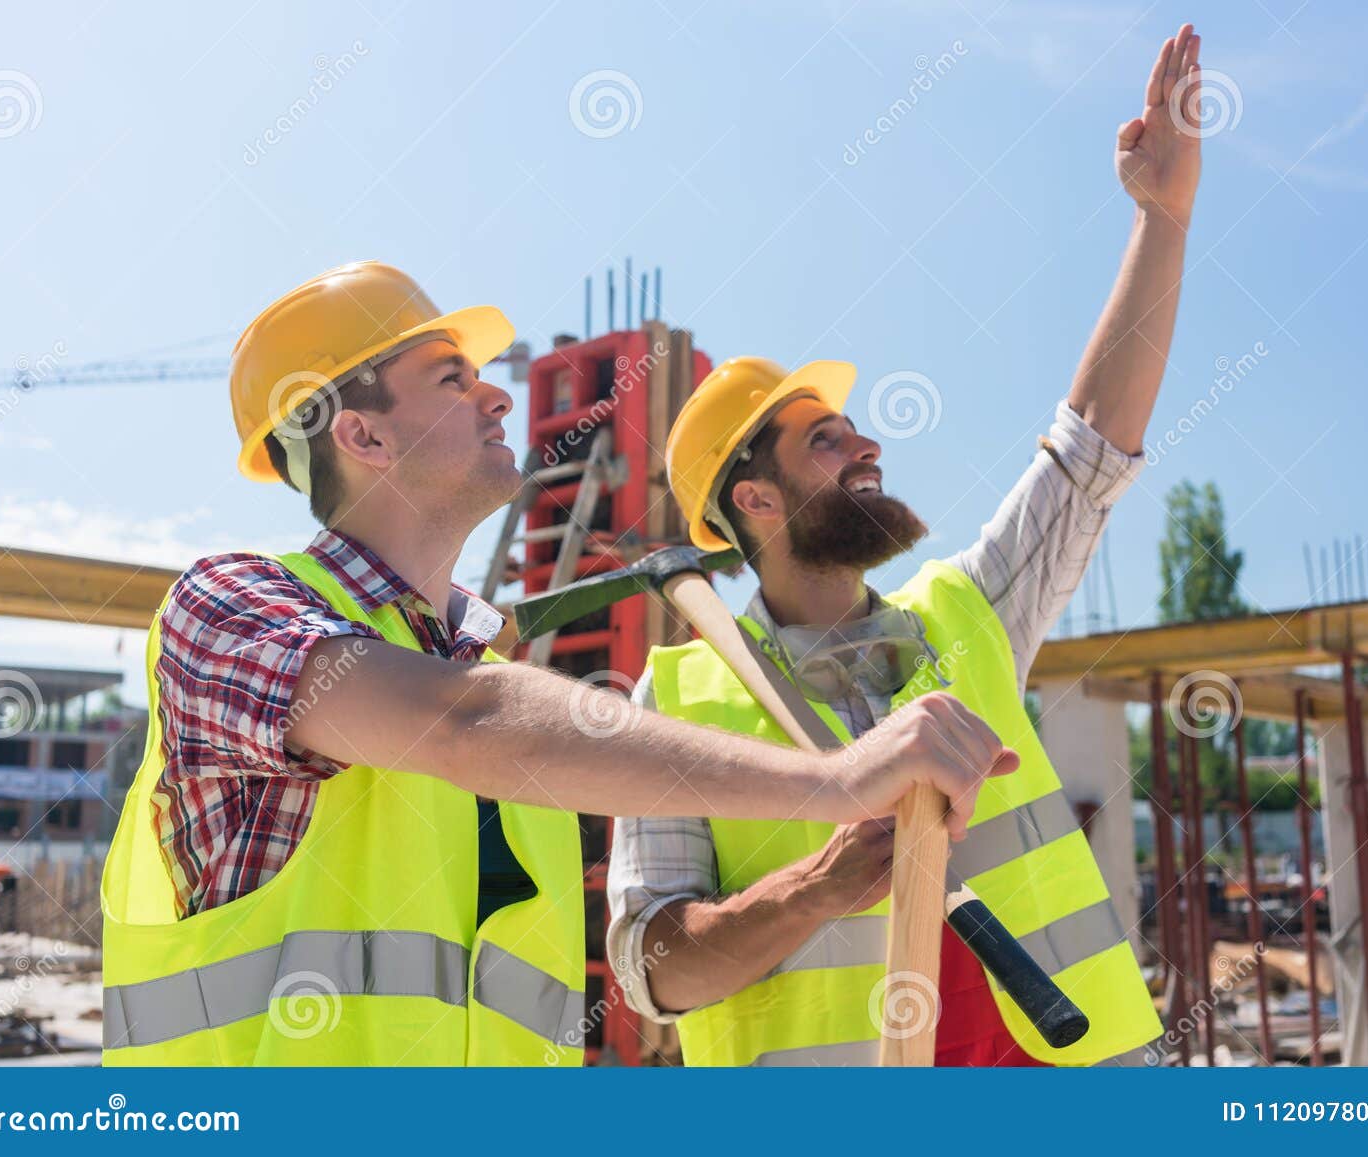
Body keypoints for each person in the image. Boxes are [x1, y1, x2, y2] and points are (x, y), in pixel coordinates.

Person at [99, 261, 1015, 1067]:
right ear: (362, 436)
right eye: (453, 378)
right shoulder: (225, 609)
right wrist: (836, 780)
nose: (499, 397)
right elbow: (464, 718)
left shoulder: (493, 680)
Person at [607, 24, 1206, 1067]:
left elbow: (1091, 449)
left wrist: (1162, 220)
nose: (867, 442)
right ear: (753, 497)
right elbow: (654, 971)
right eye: (825, 438)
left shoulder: (965, 614)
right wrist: (820, 882)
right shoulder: (680, 701)